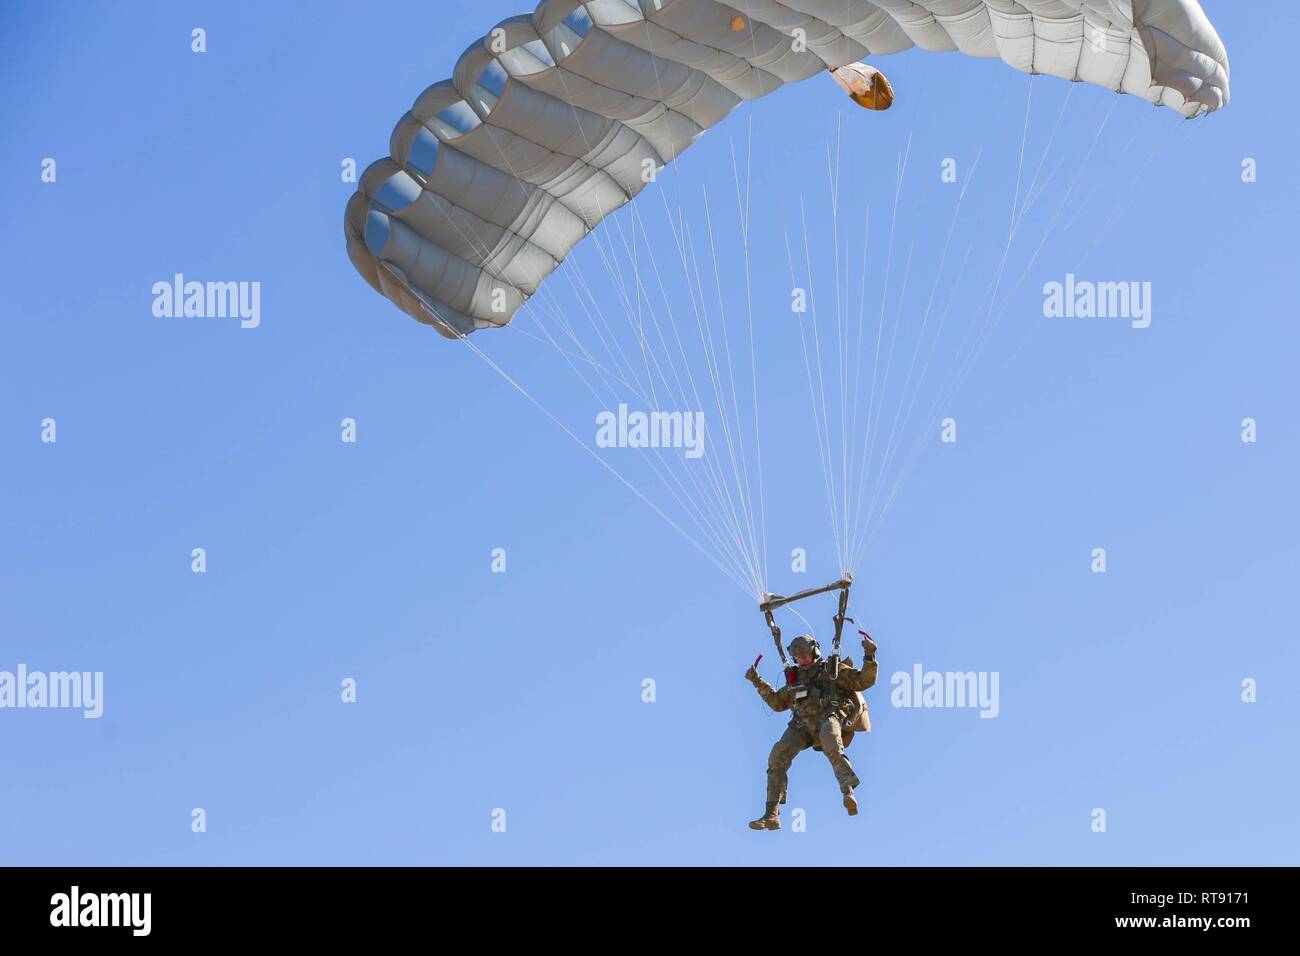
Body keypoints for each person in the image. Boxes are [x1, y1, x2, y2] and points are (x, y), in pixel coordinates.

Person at [744, 631, 878, 830]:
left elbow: (864, 680)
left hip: (828, 717)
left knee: (831, 741)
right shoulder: (795, 679)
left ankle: (848, 791)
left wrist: (869, 656)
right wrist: (757, 682)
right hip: (802, 726)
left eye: (805, 656)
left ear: (814, 653)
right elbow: (777, 702)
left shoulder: (831, 670)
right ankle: (771, 813)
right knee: (777, 756)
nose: (802, 661)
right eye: (798, 658)